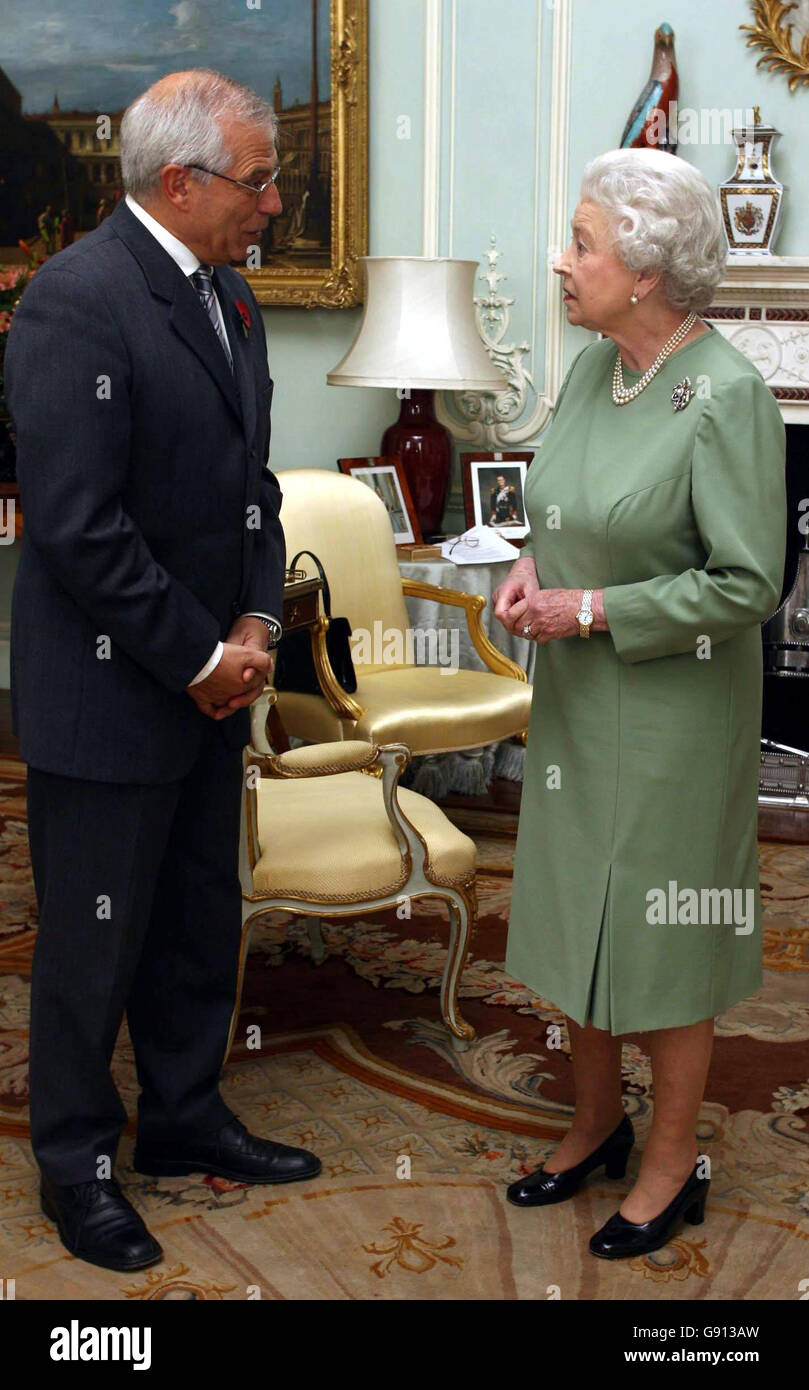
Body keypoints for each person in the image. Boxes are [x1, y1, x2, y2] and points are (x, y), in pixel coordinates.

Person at [5, 69, 321, 1276]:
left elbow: (252, 487)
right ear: (178, 181)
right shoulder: (76, 302)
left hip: (209, 687)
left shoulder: (226, 295)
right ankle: (77, 1166)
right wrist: (197, 656)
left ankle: (185, 1116)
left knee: (196, 921)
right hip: (108, 696)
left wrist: (249, 620)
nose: (272, 200)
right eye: (256, 179)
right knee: (94, 944)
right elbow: (78, 529)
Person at [493, 148, 785, 1260]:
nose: (560, 262)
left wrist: (593, 608)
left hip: (672, 712)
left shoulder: (727, 396)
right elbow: (568, 508)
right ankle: (591, 1122)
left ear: (648, 271)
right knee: (576, 912)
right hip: (576, 699)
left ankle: (669, 1167)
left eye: (580, 244)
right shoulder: (590, 370)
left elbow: (747, 582)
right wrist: (530, 564)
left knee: (661, 933)